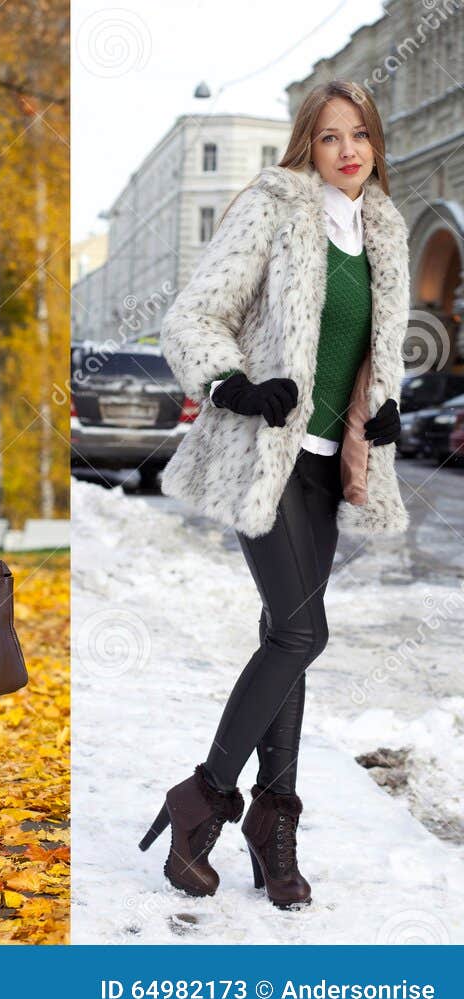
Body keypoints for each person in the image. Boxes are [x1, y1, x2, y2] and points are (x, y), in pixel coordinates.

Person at [144, 80, 409, 909]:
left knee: (282, 636)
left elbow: (367, 347)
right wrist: (234, 386)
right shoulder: (274, 207)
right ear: (308, 146)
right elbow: (194, 314)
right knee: (301, 632)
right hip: (268, 454)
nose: (348, 150)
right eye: (330, 137)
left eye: (359, 134)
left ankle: (275, 823)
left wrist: (386, 402)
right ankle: (205, 798)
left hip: (335, 463)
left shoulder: (384, 230)